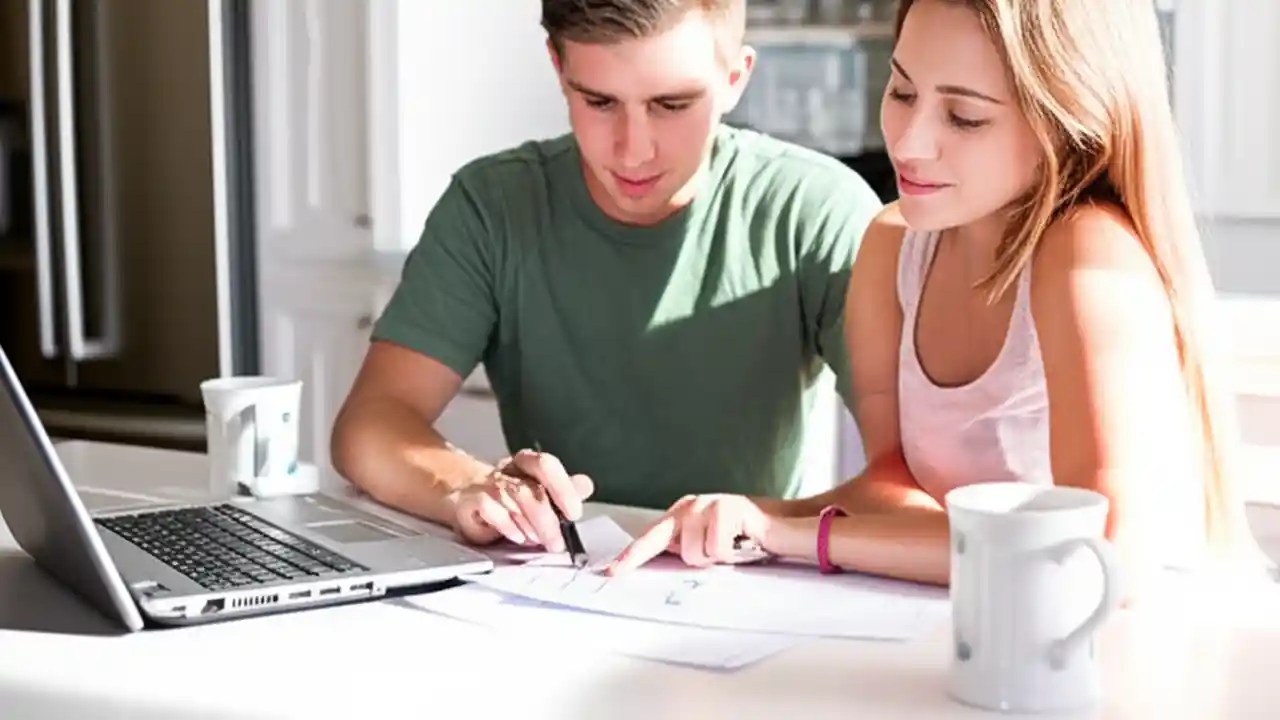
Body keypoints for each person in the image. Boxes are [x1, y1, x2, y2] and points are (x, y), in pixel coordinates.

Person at [608, 0, 1267, 590]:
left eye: (964, 116)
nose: (909, 141)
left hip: (1160, 651)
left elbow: (1100, 548)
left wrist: (791, 535)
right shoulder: (893, 246)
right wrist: (748, 516)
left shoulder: (1087, 256)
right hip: (996, 630)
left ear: (1066, 124)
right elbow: (896, 489)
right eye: (901, 89)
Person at [330, 0, 882, 553]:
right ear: (558, 68)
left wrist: (767, 522)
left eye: (671, 104)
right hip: (557, 582)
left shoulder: (818, 211)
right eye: (599, 102)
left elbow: (909, 477)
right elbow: (371, 425)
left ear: (735, 78)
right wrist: (467, 486)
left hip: (759, 577)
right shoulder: (491, 208)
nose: (633, 150)